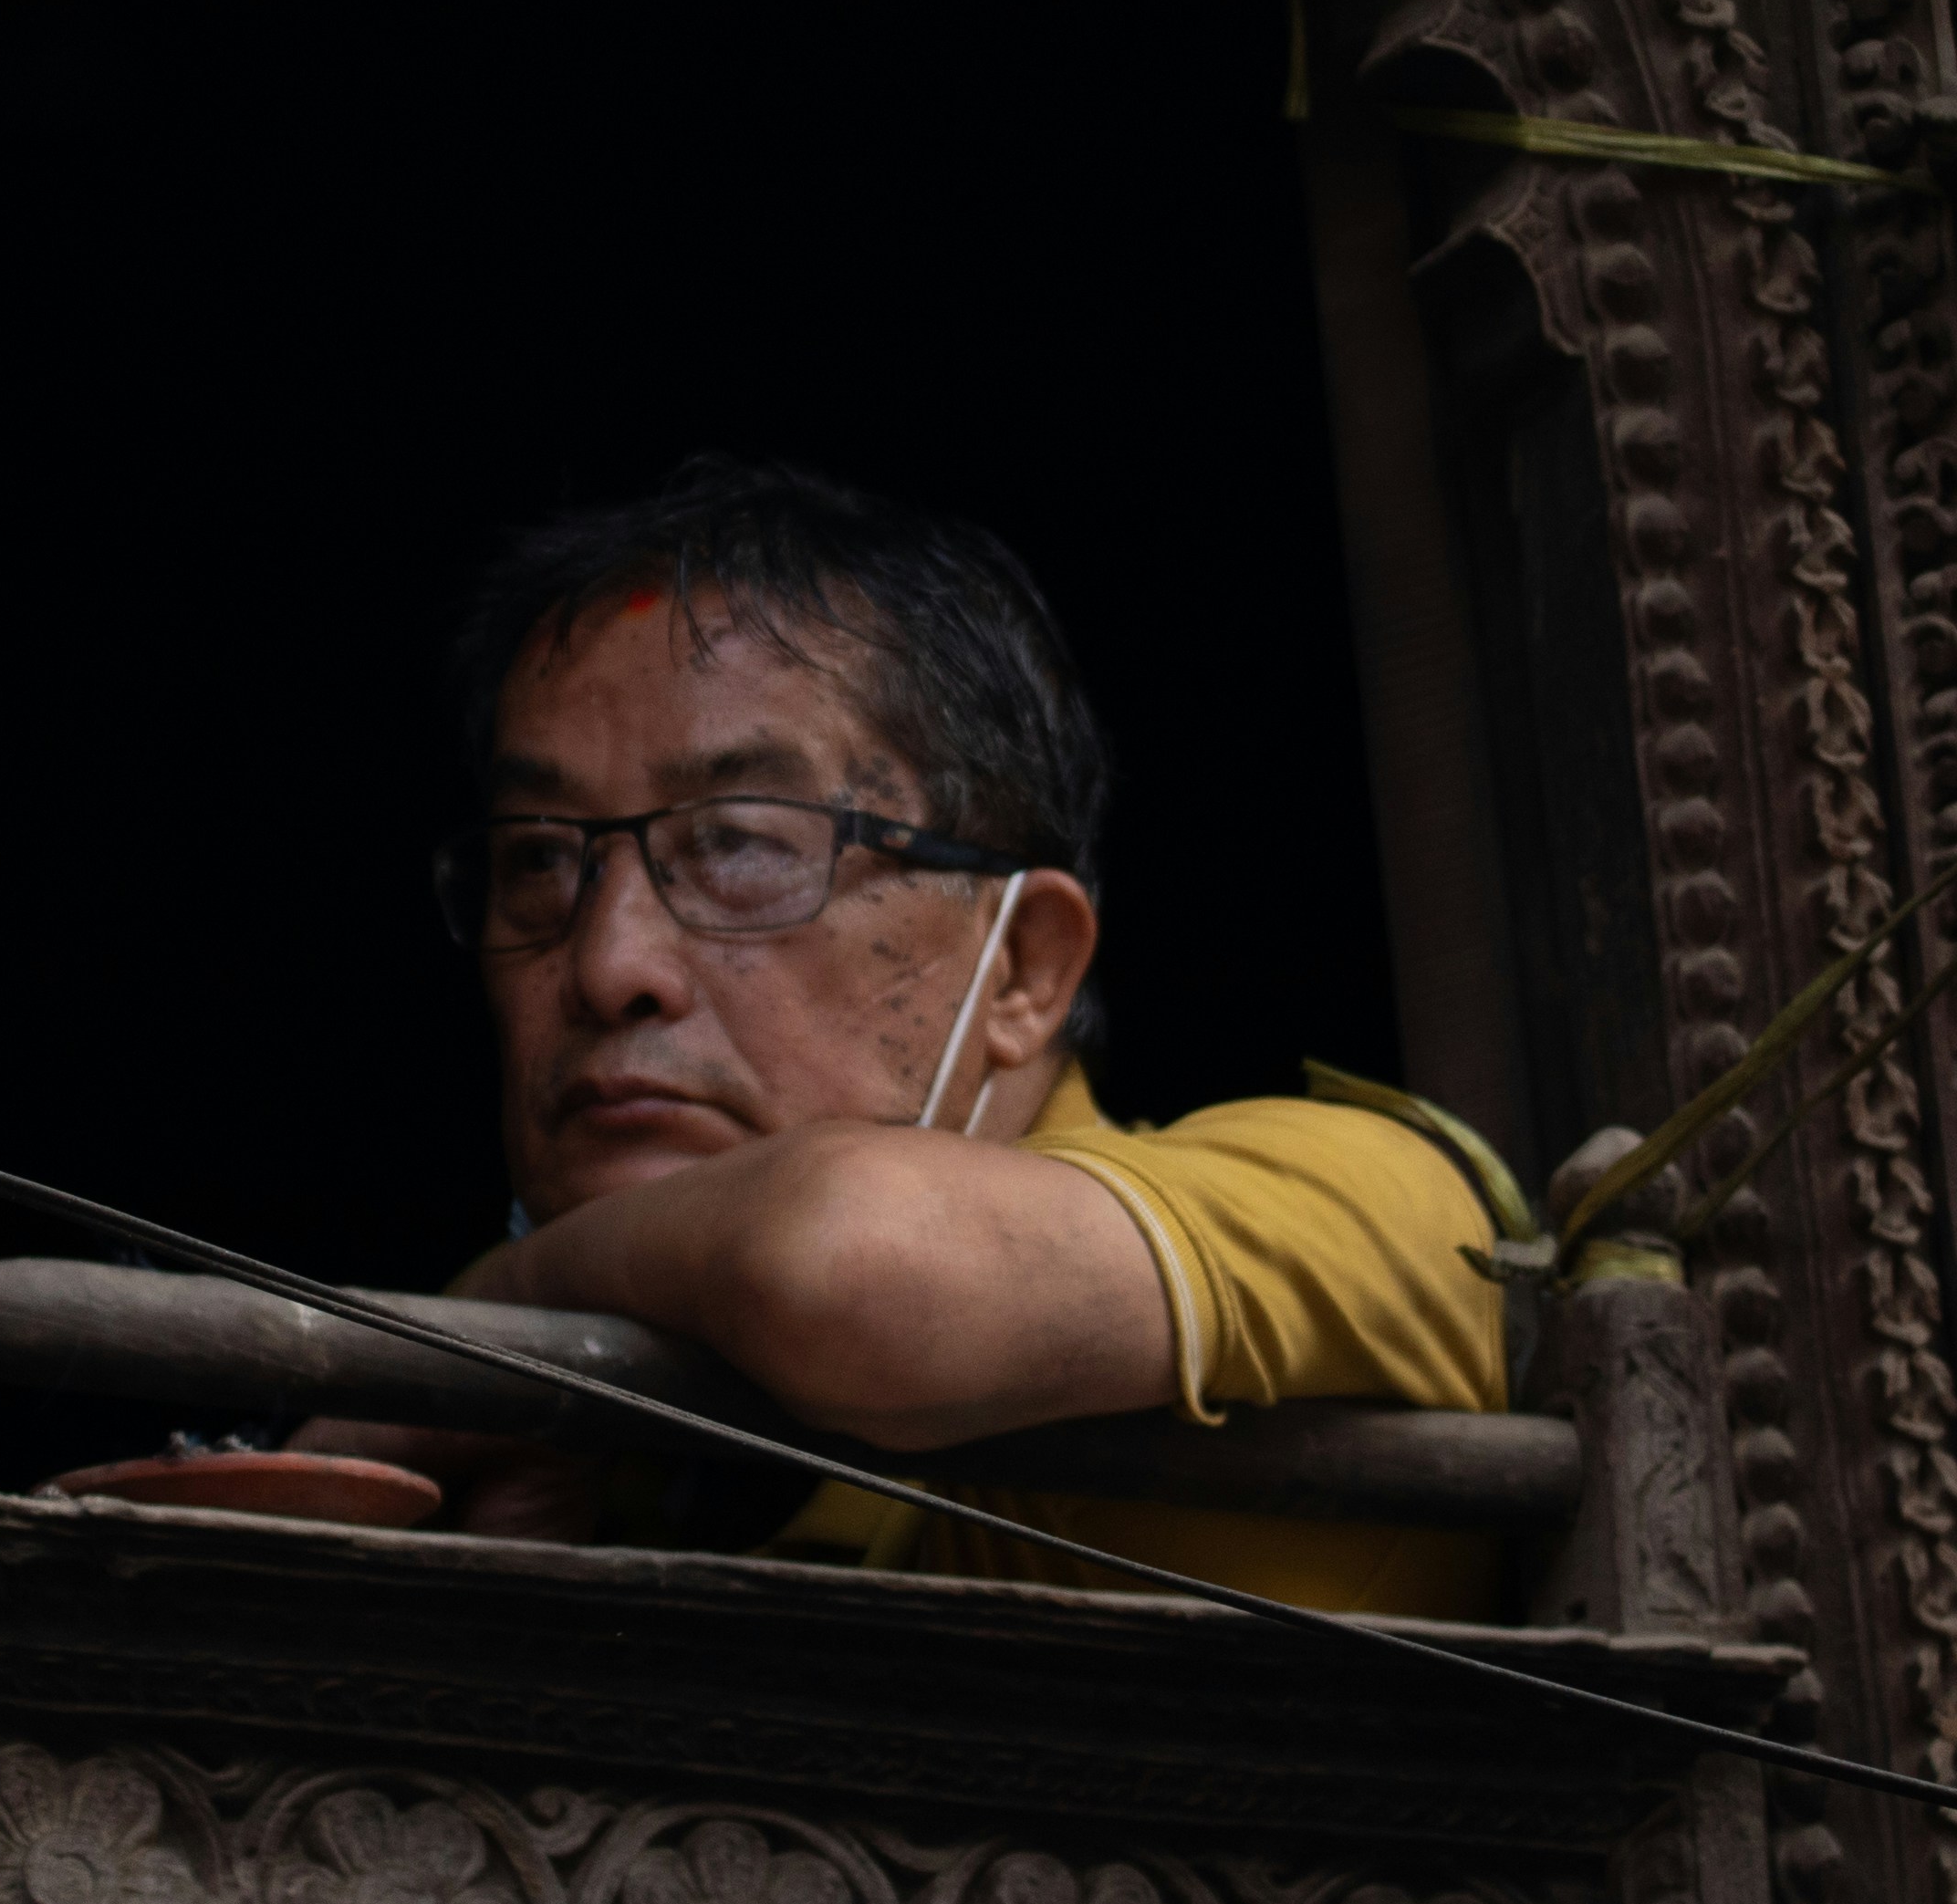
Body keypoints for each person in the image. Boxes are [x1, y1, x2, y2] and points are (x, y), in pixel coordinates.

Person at [307, 459, 1511, 1619]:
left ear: (1024, 969)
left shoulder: (1366, 1200)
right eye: (538, 860)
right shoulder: (581, 1463)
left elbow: (848, 1263)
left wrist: (503, 1303)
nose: (609, 965)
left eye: (741, 844)